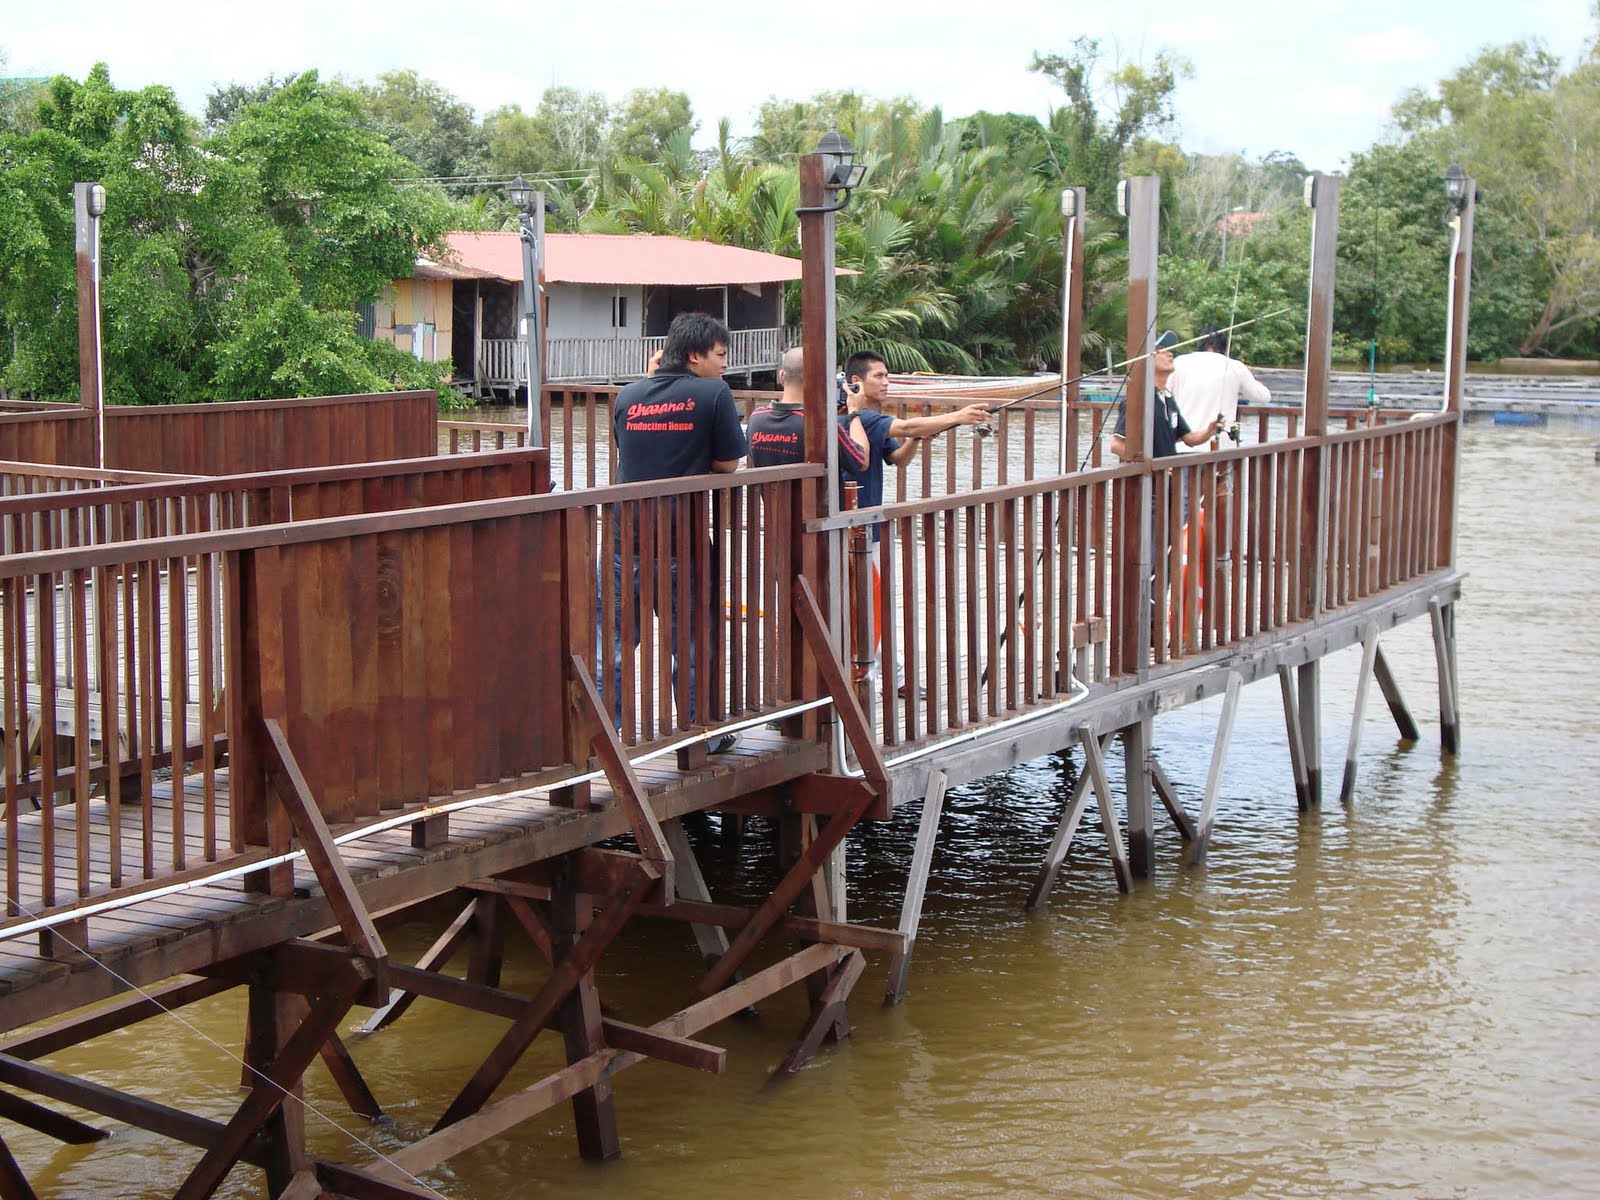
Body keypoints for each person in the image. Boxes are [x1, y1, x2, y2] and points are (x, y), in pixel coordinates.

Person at [607, 313, 747, 749]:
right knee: (689, 640)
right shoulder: (714, 393)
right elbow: (728, 464)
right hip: (678, 538)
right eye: (721, 355)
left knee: (610, 642)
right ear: (694, 355)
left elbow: (626, 451)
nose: (725, 365)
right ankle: (697, 731)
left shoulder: (628, 395)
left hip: (621, 535)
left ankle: (601, 734)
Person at [838, 350, 992, 697]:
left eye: (887, 375)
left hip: (868, 527)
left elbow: (897, 458)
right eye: (878, 376)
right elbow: (906, 424)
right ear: (855, 382)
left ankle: (891, 677)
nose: (886, 382)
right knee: (865, 606)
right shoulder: (861, 417)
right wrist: (959, 416)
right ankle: (878, 676)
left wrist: (918, 438)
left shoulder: (870, 421)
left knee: (873, 604)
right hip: (853, 530)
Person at [745, 347, 868, 472]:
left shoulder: (756, 418)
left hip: (767, 492)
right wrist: (854, 411)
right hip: (814, 492)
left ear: (781, 376)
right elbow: (861, 462)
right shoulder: (820, 425)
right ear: (820, 381)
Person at [1108, 331, 1222, 462]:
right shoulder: (1137, 400)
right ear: (1148, 359)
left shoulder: (1168, 399)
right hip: (1148, 481)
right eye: (1161, 350)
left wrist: (1209, 431)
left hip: (1168, 480)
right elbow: (1116, 445)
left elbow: (1189, 438)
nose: (1170, 353)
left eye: (1169, 349)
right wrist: (1151, 465)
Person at [1169, 325, 1271, 450]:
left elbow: (1164, 394)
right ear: (1224, 345)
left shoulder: (1179, 362)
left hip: (1183, 446)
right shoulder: (1235, 366)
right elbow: (1263, 396)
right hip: (1221, 449)